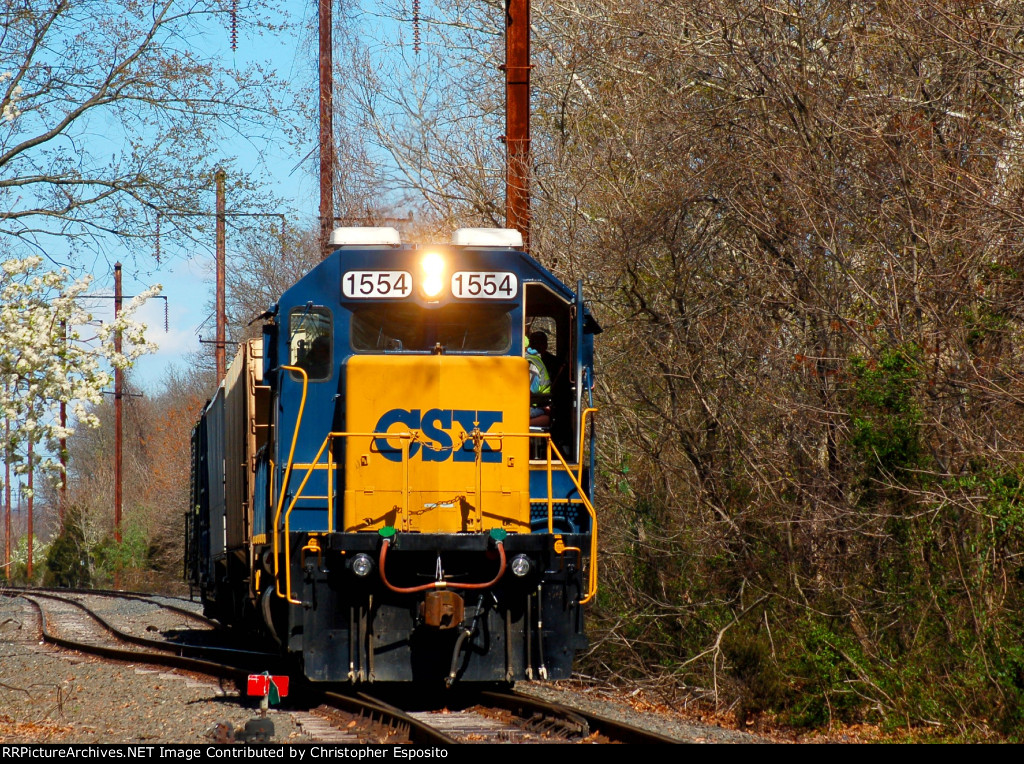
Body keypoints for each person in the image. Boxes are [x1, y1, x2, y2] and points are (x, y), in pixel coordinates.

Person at [526, 334, 551, 427]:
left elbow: (532, 390)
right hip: (532, 405)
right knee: (546, 417)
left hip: (533, 404)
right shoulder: (532, 361)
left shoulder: (530, 361)